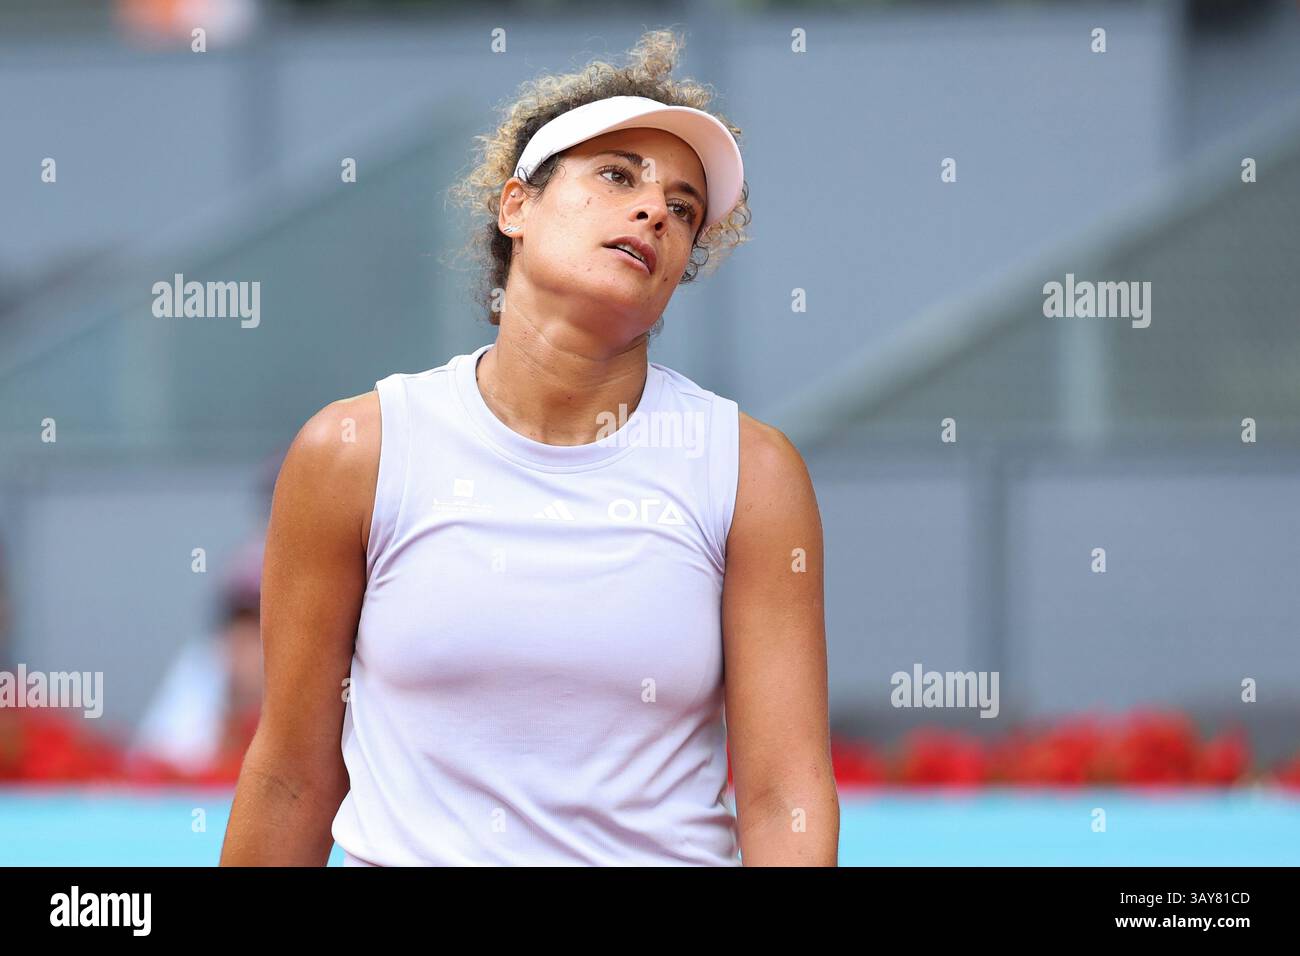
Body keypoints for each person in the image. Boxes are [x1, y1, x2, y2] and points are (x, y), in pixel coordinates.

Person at [220, 29, 837, 866]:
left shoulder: (754, 473)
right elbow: (291, 776)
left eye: (684, 208)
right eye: (617, 175)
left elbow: (784, 795)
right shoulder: (352, 451)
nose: (656, 210)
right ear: (515, 207)